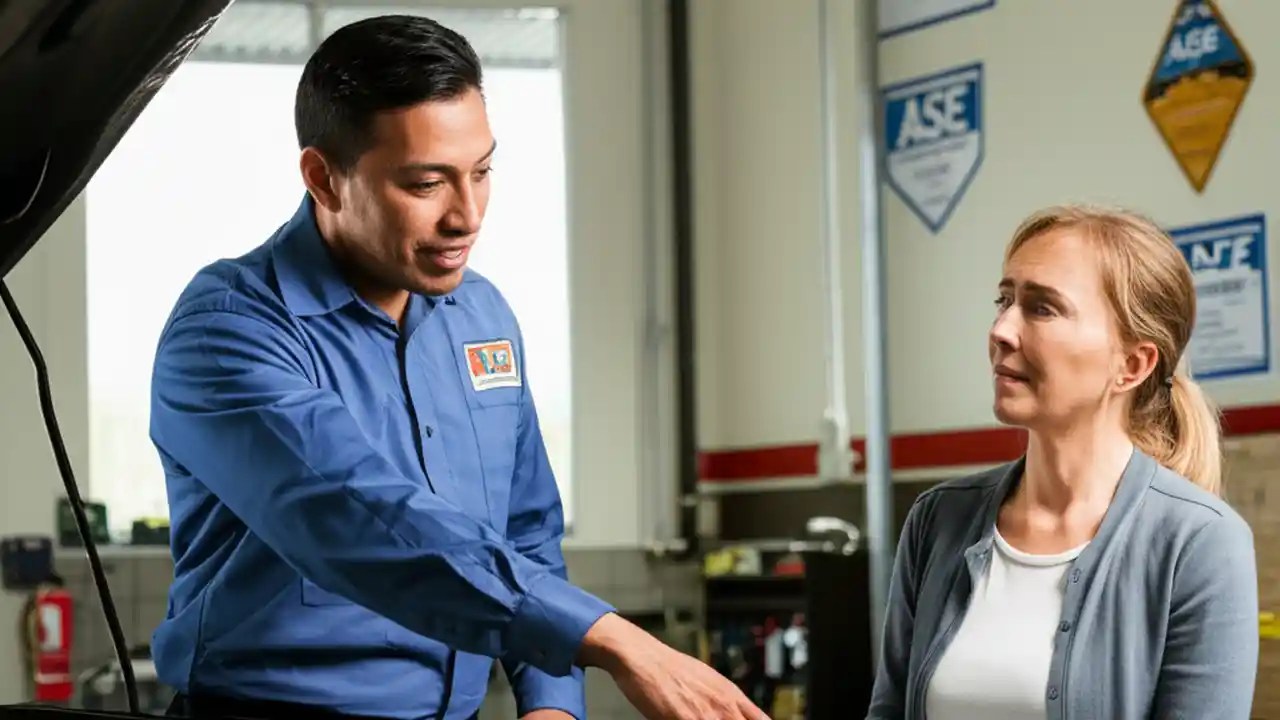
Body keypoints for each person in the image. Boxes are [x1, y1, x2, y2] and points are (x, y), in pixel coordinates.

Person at [148, 14, 767, 720]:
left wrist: (552, 702)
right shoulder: (229, 329)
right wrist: (610, 638)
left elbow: (526, 529)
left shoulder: (482, 316)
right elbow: (357, 516)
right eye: (425, 184)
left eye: (481, 172)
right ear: (324, 178)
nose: (466, 216)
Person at [865, 205, 1259, 719]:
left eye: (1042, 308)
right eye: (1003, 301)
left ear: (1132, 364)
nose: (1001, 330)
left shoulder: (1201, 543)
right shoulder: (937, 520)